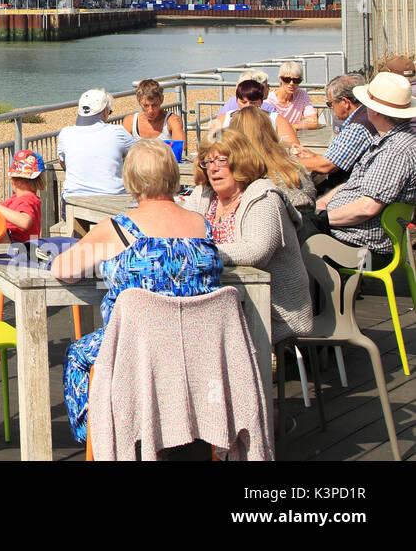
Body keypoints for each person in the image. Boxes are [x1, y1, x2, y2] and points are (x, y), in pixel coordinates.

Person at [51, 140, 223, 443]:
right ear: (172, 176)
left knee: (78, 355)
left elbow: (63, 269)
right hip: (199, 345)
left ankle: (98, 436)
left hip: (135, 347)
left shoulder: (118, 229)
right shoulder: (202, 225)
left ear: (130, 179)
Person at [183, 131, 312, 346]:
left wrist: (200, 252)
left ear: (240, 161)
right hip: (224, 301)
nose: (213, 168)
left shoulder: (264, 196)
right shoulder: (204, 195)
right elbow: (181, 233)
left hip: (271, 310)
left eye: (221, 161)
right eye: (207, 162)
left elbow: (255, 251)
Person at [308, 72, 416, 257]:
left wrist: (322, 219)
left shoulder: (394, 152)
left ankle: (322, 285)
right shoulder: (386, 140)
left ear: (374, 110)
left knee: (292, 240)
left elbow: (367, 208)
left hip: (360, 246)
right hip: (352, 233)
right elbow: (355, 184)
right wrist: (324, 203)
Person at [226, 107, 317, 228]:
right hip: (308, 228)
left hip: (279, 233)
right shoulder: (294, 164)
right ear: (270, 130)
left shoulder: (245, 175)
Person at [294, 74, 374, 191]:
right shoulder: (366, 114)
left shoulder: (357, 127)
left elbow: (326, 165)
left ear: (345, 102)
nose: (331, 108)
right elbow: (338, 158)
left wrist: (287, 163)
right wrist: (313, 156)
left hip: (348, 190)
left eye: (330, 104)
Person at [56, 89, 136, 198]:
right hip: (112, 198)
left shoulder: (65, 133)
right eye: (109, 112)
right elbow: (139, 154)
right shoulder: (117, 132)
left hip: (73, 198)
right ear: (104, 112)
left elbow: (61, 161)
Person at [206, 79, 300, 147]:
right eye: (243, 102)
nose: (248, 106)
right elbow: (208, 143)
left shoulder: (276, 119)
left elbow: (294, 146)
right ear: (237, 100)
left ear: (261, 102)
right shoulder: (224, 119)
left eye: (253, 103)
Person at [267, 61, 319, 131]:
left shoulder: (302, 95)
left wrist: (294, 126)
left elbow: (314, 122)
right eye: (287, 79)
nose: (291, 83)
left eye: (296, 80)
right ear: (280, 79)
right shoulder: (269, 100)